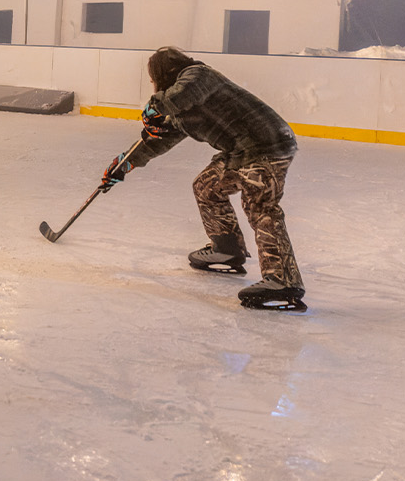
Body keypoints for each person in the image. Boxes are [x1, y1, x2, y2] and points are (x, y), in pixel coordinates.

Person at [100, 46, 305, 311]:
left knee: (260, 206)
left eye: (154, 79)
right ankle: (227, 248)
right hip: (239, 152)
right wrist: (123, 166)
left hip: (268, 146)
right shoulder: (182, 108)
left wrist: (154, 107)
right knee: (206, 187)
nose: (153, 85)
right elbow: (157, 141)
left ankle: (283, 280)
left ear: (165, 73)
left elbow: (182, 95)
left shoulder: (199, 76)